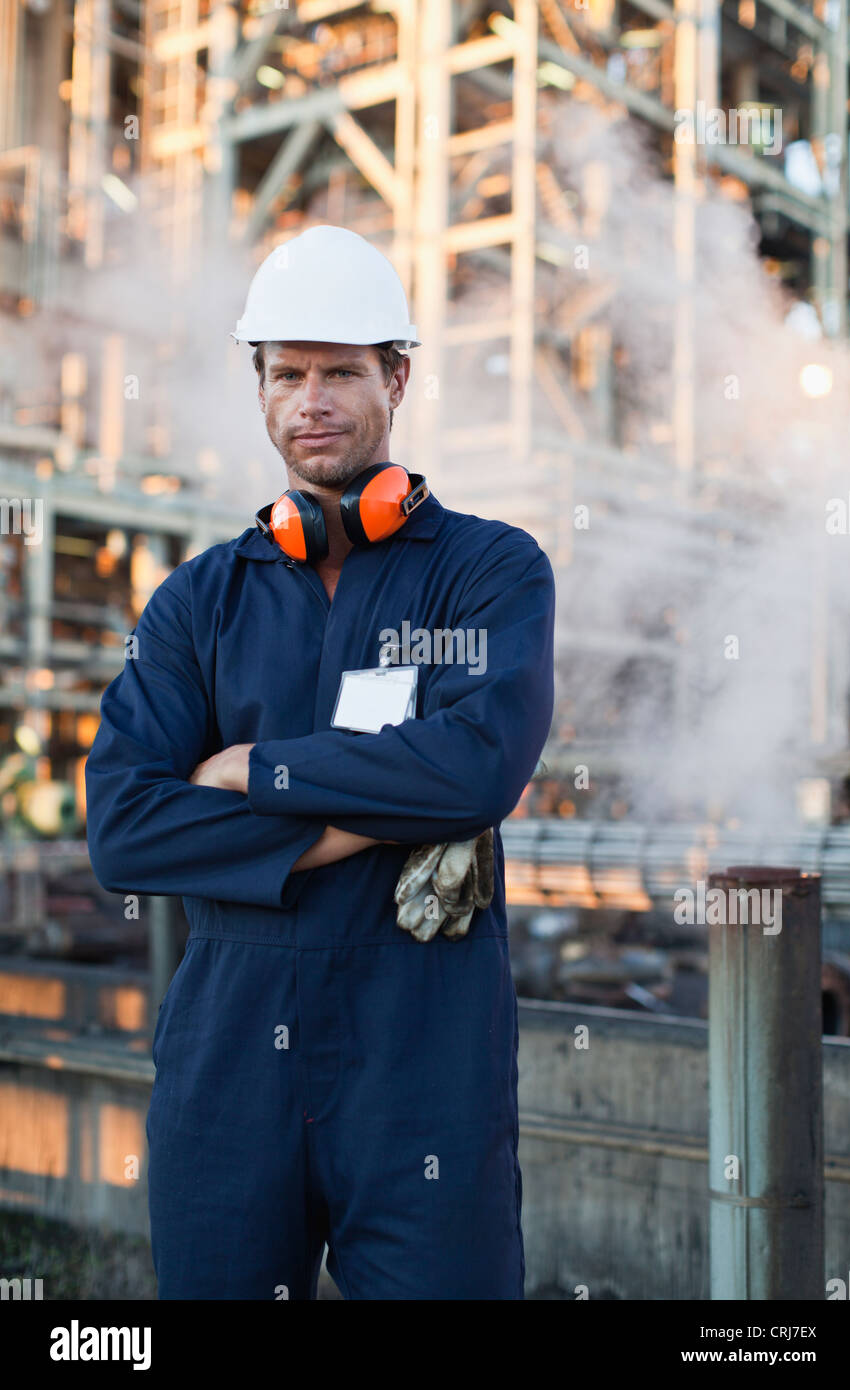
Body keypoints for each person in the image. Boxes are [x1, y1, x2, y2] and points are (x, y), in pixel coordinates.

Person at [85, 224, 556, 1300]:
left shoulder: (489, 571)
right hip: (227, 1059)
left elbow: (478, 767)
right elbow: (123, 826)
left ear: (396, 377)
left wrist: (252, 770)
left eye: (341, 372)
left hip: (423, 1058)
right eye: (286, 374)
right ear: (258, 389)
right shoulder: (198, 602)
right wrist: (375, 811)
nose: (313, 400)